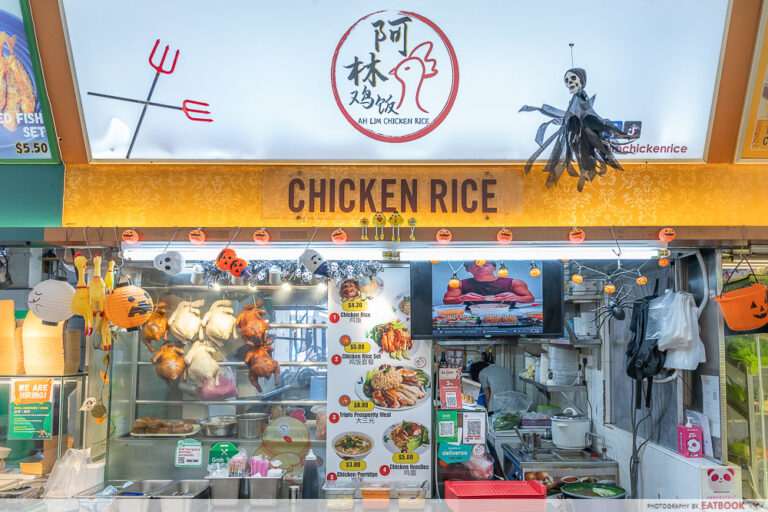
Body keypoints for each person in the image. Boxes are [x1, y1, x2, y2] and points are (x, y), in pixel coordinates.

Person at [443, 261, 535, 305]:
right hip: (471, 317)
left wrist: (516, 297)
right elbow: (446, 301)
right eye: (474, 266)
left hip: (508, 315)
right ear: (467, 270)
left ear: (494, 268)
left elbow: (530, 298)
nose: (481, 267)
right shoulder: (458, 284)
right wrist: (461, 298)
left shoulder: (514, 282)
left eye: (486, 265)